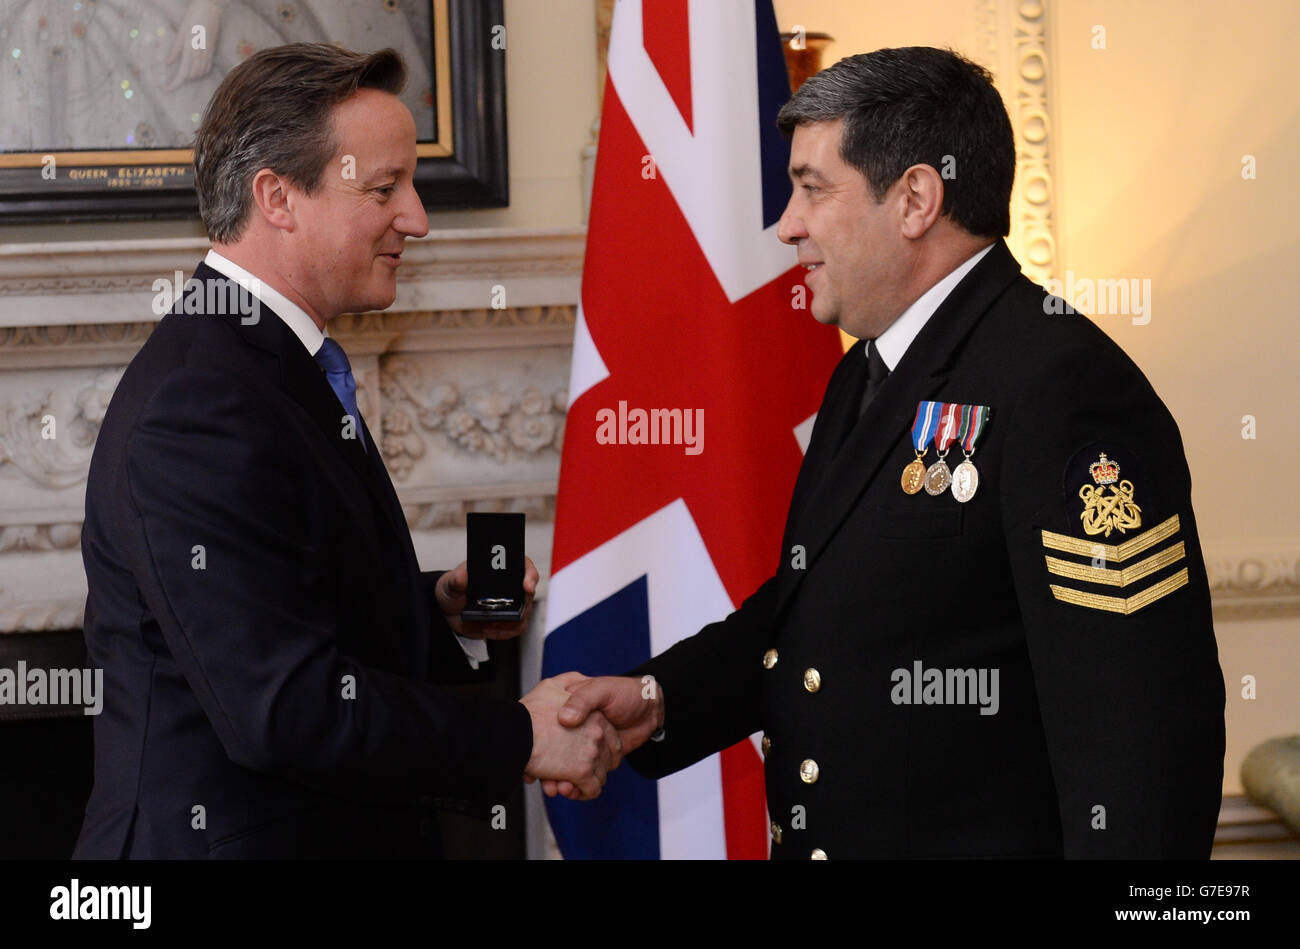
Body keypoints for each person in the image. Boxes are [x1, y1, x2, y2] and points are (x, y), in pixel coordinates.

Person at [552, 46, 1226, 859]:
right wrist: (662, 698)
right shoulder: (866, 372)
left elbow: (1141, 734)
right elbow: (827, 610)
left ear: (914, 198)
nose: (787, 225)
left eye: (811, 188)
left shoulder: (1063, 384)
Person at [74, 43, 619, 859]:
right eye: (384, 187)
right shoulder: (201, 403)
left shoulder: (269, 363)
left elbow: (279, 599)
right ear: (278, 197)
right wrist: (517, 735)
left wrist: (430, 607)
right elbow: (284, 708)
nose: (418, 217)